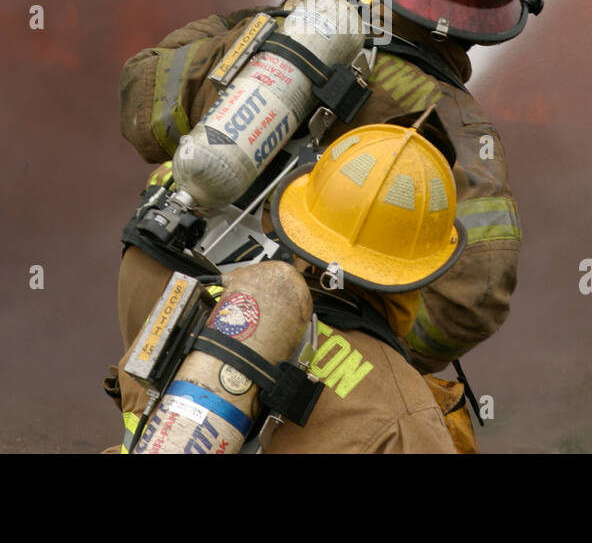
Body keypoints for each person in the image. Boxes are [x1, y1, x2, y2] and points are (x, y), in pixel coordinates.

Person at [116, 0, 542, 376]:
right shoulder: (458, 124)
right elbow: (477, 294)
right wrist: (379, 352)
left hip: (164, 278)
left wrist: (245, 25)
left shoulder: (271, 45)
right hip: (300, 354)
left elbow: (143, 108)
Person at [114, 122, 472, 453]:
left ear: (300, 218)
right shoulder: (406, 412)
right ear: (425, 268)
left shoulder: (213, 305)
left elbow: (133, 395)